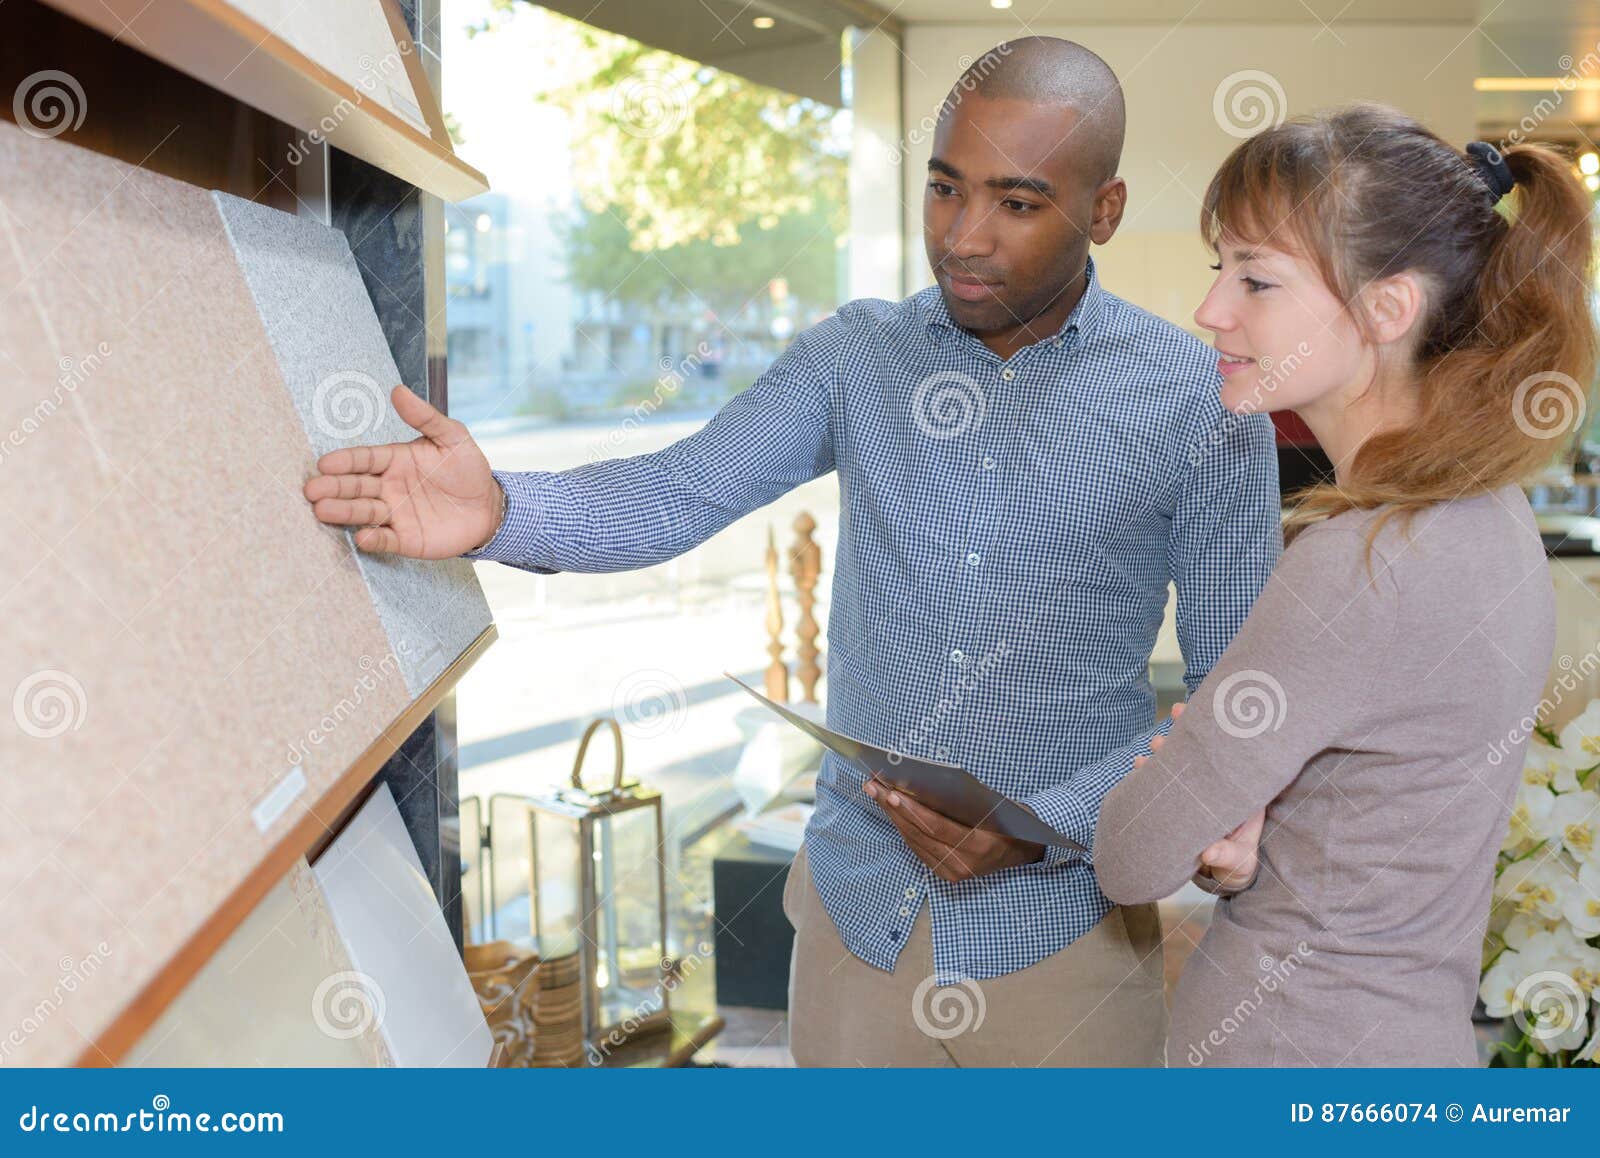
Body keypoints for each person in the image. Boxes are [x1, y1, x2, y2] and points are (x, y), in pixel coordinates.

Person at [302, 37, 1282, 1066]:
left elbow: (1232, 697)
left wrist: (1048, 822)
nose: (964, 237)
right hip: (859, 923)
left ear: (1106, 212)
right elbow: (677, 492)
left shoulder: (1200, 403)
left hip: (1063, 943)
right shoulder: (856, 355)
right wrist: (498, 509)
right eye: (944, 189)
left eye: (1017, 204)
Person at [1094, 104, 1596, 1067]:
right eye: (1220, 271)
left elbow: (1130, 855)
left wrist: (1186, 791)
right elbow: (1378, 809)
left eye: (1258, 279)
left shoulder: (1361, 561)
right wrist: (1248, 830)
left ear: (1388, 307)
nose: (1212, 310)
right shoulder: (1490, 513)